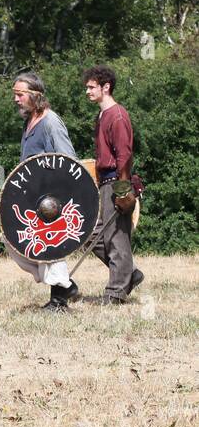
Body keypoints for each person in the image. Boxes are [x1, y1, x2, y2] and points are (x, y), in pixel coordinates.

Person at [9, 72, 80, 310]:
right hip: (34, 197)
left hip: (52, 199)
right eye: (14, 94)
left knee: (51, 247)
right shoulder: (29, 122)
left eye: (20, 94)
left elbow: (69, 160)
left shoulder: (50, 122)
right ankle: (64, 285)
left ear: (35, 95)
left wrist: (53, 184)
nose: (16, 99)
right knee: (16, 242)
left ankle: (59, 299)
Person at [83, 65, 144, 305]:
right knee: (92, 233)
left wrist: (123, 189)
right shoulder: (101, 115)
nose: (87, 91)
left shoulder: (117, 115)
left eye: (91, 87)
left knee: (116, 238)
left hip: (116, 181)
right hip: (104, 182)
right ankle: (131, 274)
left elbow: (125, 155)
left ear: (105, 87)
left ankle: (116, 292)